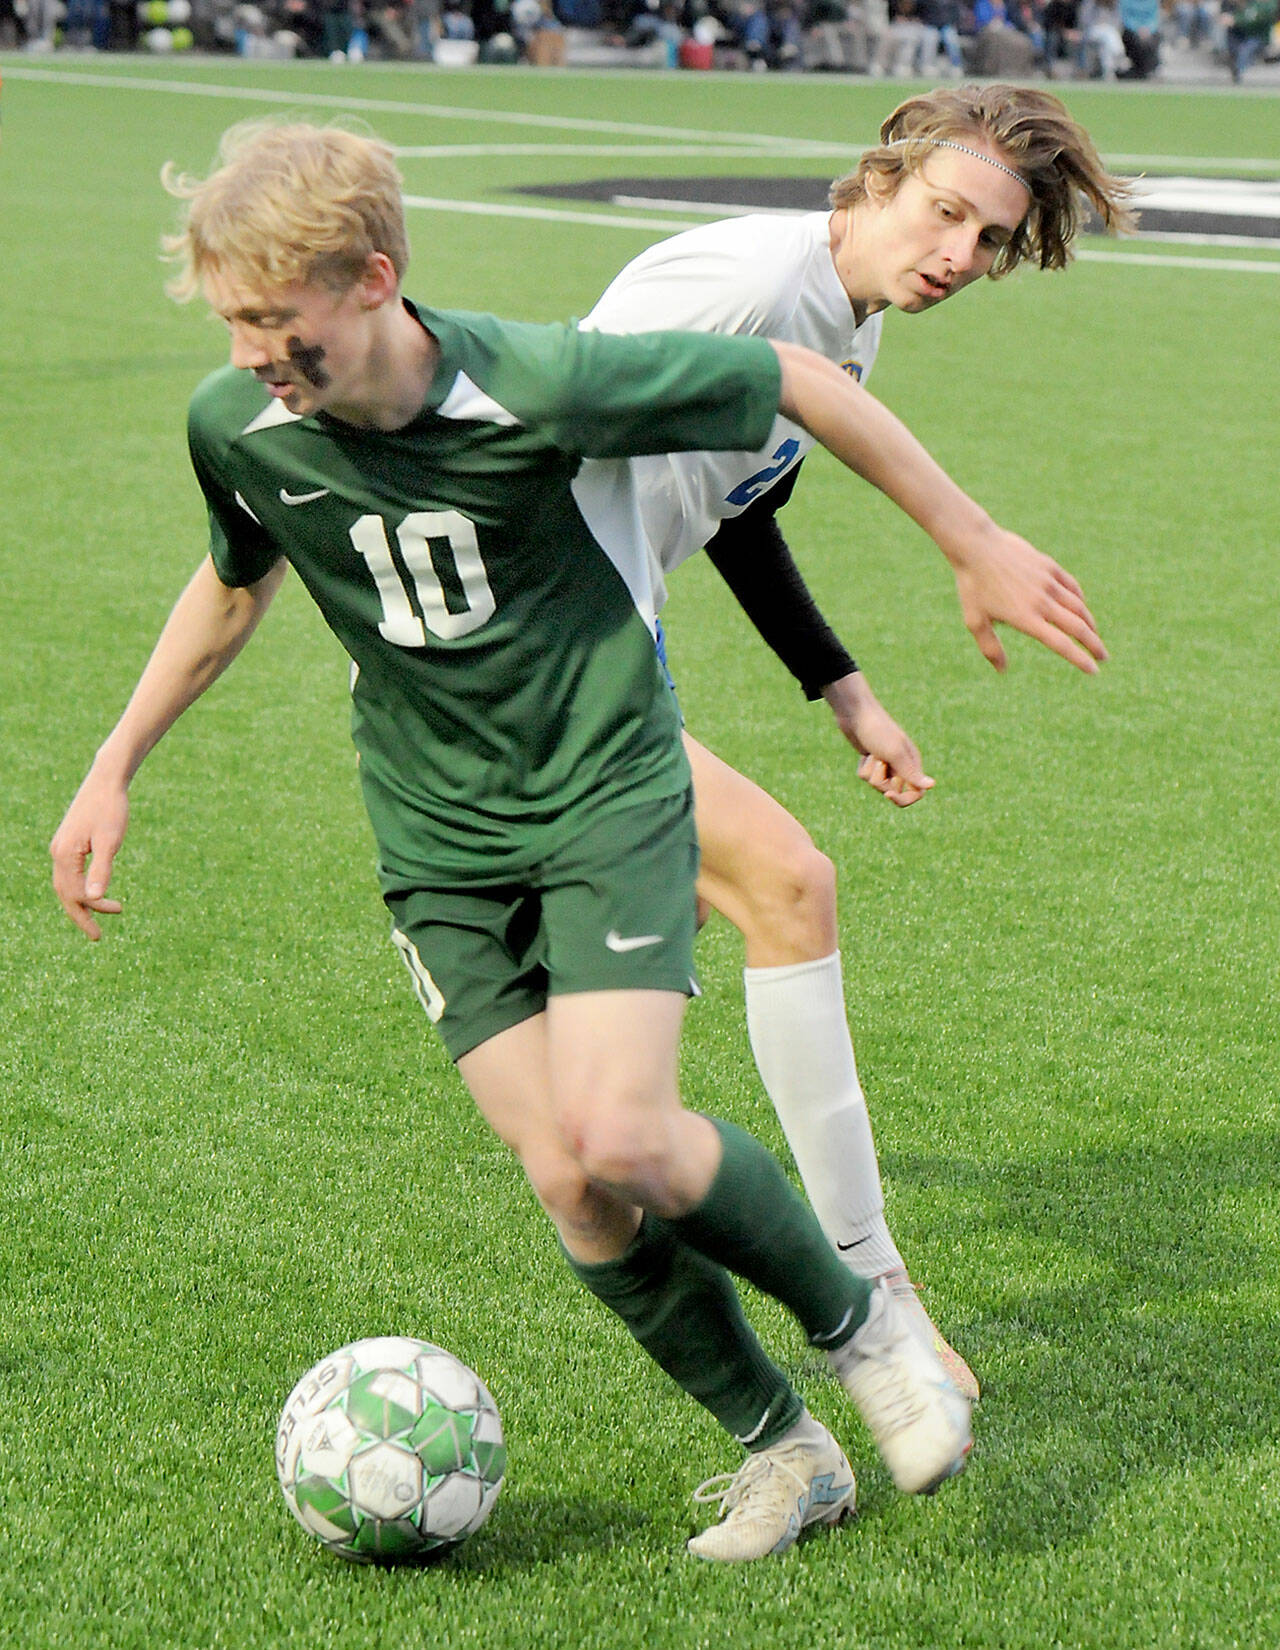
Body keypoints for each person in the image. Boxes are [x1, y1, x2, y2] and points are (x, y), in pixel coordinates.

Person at [50, 119, 979, 1566]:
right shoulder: (233, 421)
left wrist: (966, 540)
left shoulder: (534, 380)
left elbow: (792, 381)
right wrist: (113, 765)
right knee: (569, 1175)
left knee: (626, 1128)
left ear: (375, 279)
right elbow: (236, 583)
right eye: (232, 320)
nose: (251, 353)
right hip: (436, 838)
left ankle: (869, 1325)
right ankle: (786, 1450)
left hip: (603, 787)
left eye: (277, 324)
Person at [580, 82, 1134, 1406]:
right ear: (875, 181)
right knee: (787, 886)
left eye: (988, 238)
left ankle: (760, 1306)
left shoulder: (847, 323)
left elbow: (732, 506)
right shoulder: (749, 278)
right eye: (945, 213)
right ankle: (871, 1301)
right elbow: (548, 411)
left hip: (592, 637)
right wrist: (969, 534)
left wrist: (844, 687)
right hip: (547, 643)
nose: (958, 254)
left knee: (601, 1107)